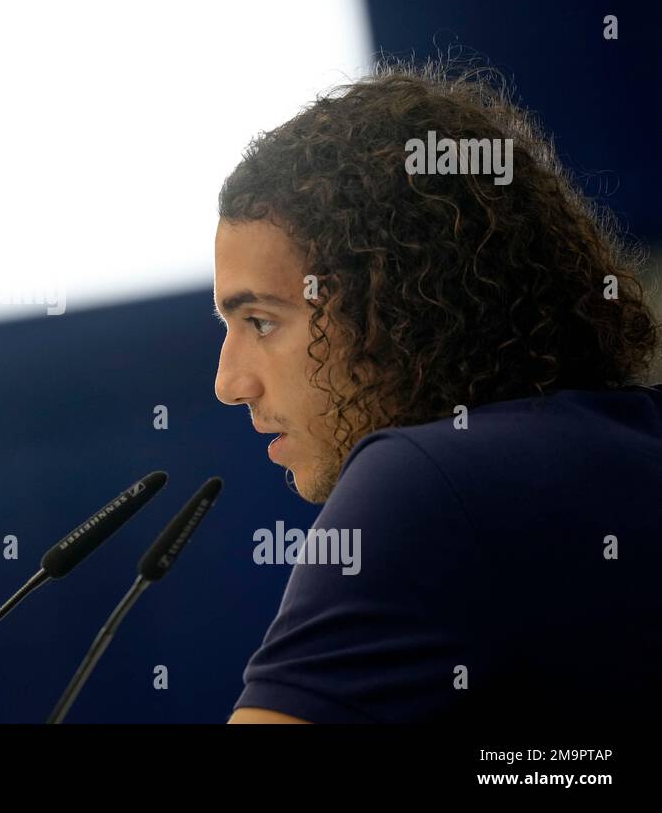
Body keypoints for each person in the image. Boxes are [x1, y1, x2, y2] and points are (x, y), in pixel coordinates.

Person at [212, 58, 662, 723]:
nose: (230, 383)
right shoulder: (632, 441)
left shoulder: (419, 483)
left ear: (391, 303)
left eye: (262, 321)